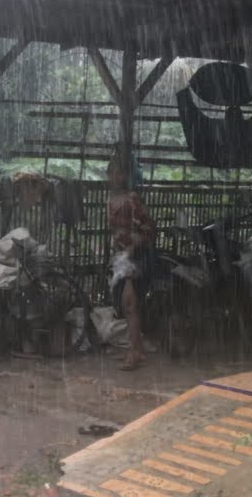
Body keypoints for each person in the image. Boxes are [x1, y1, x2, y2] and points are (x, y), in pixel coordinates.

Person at [106, 152, 155, 371]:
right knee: (126, 306)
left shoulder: (132, 199)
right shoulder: (110, 200)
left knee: (130, 304)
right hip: (121, 258)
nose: (115, 178)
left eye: (119, 174)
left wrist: (133, 246)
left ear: (125, 176)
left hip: (135, 257)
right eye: (112, 174)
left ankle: (134, 352)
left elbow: (149, 228)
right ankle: (137, 348)